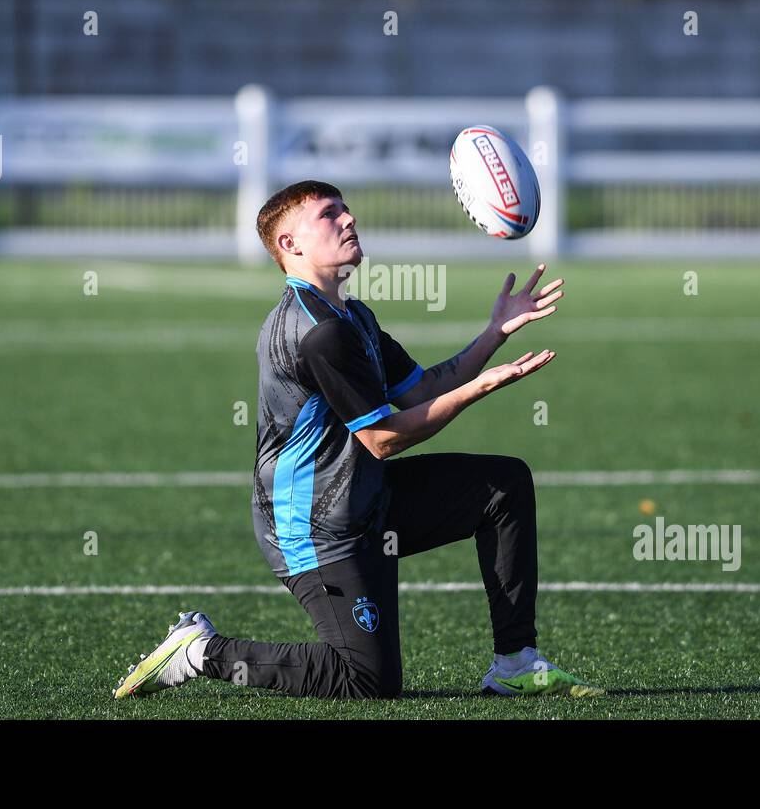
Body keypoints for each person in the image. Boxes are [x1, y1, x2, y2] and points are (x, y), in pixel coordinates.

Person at [114, 180, 601, 699]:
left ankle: (515, 662)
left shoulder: (353, 316)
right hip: (315, 528)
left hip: (367, 501)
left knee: (503, 485)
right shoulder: (318, 332)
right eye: (329, 215)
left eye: (346, 210)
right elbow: (383, 438)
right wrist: (480, 388)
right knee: (367, 680)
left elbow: (422, 391)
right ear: (290, 245)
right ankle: (198, 651)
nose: (348, 220)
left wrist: (494, 333)